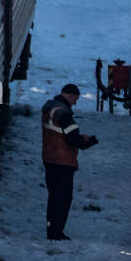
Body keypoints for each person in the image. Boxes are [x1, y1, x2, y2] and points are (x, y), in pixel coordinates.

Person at [41, 84, 98, 241]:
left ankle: (51, 229)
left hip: (49, 158)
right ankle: (56, 233)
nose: (75, 103)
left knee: (53, 198)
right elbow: (72, 139)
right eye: (75, 99)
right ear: (70, 95)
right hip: (63, 161)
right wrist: (86, 140)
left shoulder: (49, 109)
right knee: (62, 199)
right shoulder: (64, 113)